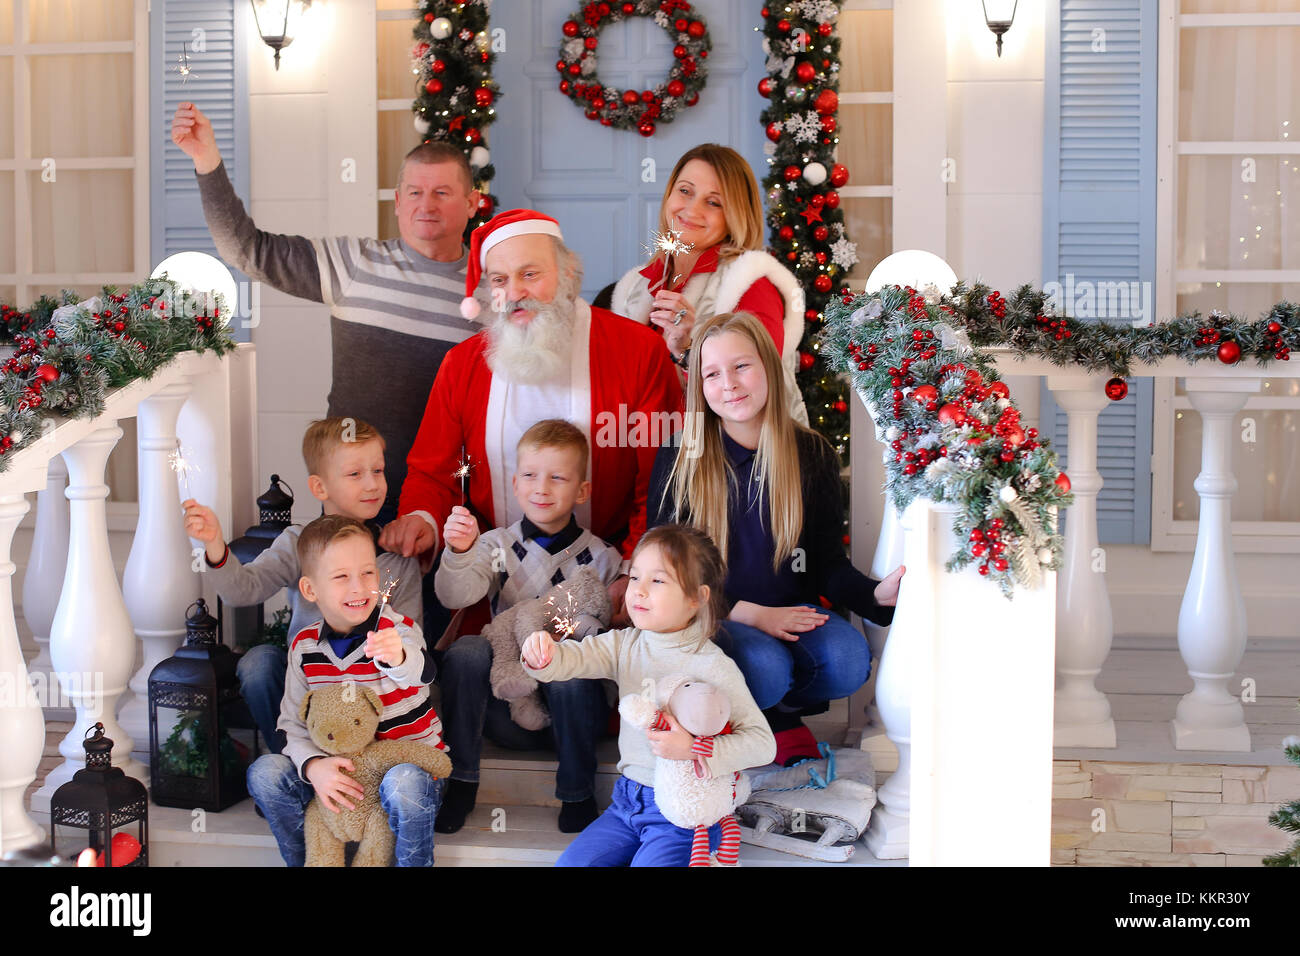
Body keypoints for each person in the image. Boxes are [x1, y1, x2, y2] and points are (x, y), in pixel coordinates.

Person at [171, 102, 480, 522]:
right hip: (350, 497)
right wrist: (207, 161)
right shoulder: (353, 264)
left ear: (472, 202)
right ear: (397, 201)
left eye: (442, 193)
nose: (426, 205)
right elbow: (247, 250)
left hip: (446, 501)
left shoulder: (492, 291)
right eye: (414, 192)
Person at [648, 311, 906, 766]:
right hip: (714, 617)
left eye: (742, 366)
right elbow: (665, 573)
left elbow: (826, 560)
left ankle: (770, 718)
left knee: (848, 658)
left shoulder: (811, 453)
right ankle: (764, 728)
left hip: (790, 613)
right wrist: (752, 614)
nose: (729, 383)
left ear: (768, 366)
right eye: (712, 373)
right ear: (700, 387)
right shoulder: (681, 456)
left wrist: (875, 595)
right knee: (765, 667)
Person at [381, 208, 683, 567]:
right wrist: (422, 518)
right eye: (499, 280)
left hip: (612, 573)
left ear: (568, 273)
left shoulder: (637, 350)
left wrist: (635, 571)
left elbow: (661, 480)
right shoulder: (462, 364)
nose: (514, 292)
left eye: (529, 274)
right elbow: (433, 471)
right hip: (490, 578)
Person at [521, 524, 775, 867]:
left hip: (683, 816)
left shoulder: (713, 665)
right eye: (635, 576)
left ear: (696, 597)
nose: (638, 591)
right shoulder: (625, 644)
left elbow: (762, 743)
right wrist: (542, 656)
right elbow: (572, 659)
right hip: (627, 803)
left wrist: (695, 750)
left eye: (657, 581)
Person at [182, 417, 421, 754]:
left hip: (373, 688)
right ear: (319, 487)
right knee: (258, 663)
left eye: (378, 471)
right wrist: (214, 545)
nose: (372, 485)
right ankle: (293, 762)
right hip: (308, 683)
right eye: (355, 474)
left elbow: (411, 644)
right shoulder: (297, 543)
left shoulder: (396, 556)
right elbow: (241, 591)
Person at [432, 420, 626, 834]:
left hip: (574, 715)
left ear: (581, 490)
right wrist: (459, 551)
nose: (542, 488)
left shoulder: (603, 558)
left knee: (567, 666)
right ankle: (461, 781)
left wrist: (571, 636)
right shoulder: (497, 545)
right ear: (515, 484)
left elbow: (611, 638)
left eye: (558, 477)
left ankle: (577, 794)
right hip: (510, 712)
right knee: (467, 649)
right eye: (531, 476)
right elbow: (455, 595)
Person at [245, 515, 445, 867]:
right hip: (336, 781)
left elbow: (422, 673)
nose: (359, 587)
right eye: (341, 577)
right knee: (265, 773)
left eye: (368, 573)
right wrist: (314, 767)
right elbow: (291, 725)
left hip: (401, 776)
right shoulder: (305, 649)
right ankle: (312, 859)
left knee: (405, 782)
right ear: (310, 590)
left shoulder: (397, 631)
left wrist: (397, 656)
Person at [608, 143, 809, 424]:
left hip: (722, 459)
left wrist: (686, 350)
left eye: (713, 202)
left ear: (735, 215)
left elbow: (753, 398)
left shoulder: (750, 286)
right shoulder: (637, 286)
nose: (692, 209)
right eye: (685, 191)